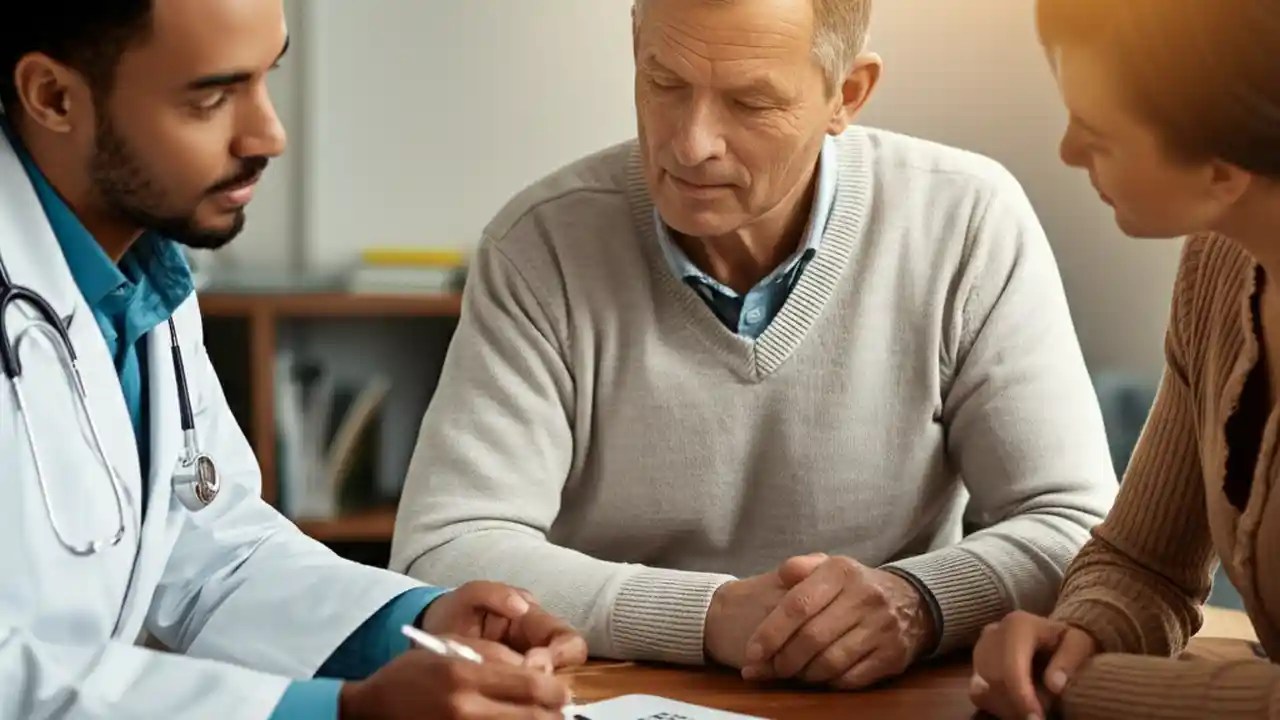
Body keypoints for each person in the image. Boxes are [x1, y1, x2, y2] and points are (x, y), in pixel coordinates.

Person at [390, 0, 1118, 691]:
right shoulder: (541, 245)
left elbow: (1077, 528)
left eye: (750, 103)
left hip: (891, 700)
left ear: (848, 94)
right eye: (665, 83)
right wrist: (706, 616)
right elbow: (444, 551)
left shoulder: (966, 222)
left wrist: (917, 602)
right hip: (613, 697)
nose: (691, 142)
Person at [0, 2, 586, 719]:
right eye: (212, 97)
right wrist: (341, 711)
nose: (269, 133)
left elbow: (215, 554)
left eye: (265, 77)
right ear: (54, 97)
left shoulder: (145, 273)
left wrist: (419, 627)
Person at [969, 1, 1280, 719]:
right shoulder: (1220, 261)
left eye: (1099, 135)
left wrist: (1087, 690)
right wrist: (1074, 637)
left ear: (1222, 169)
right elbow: (1144, 561)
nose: (1068, 151)